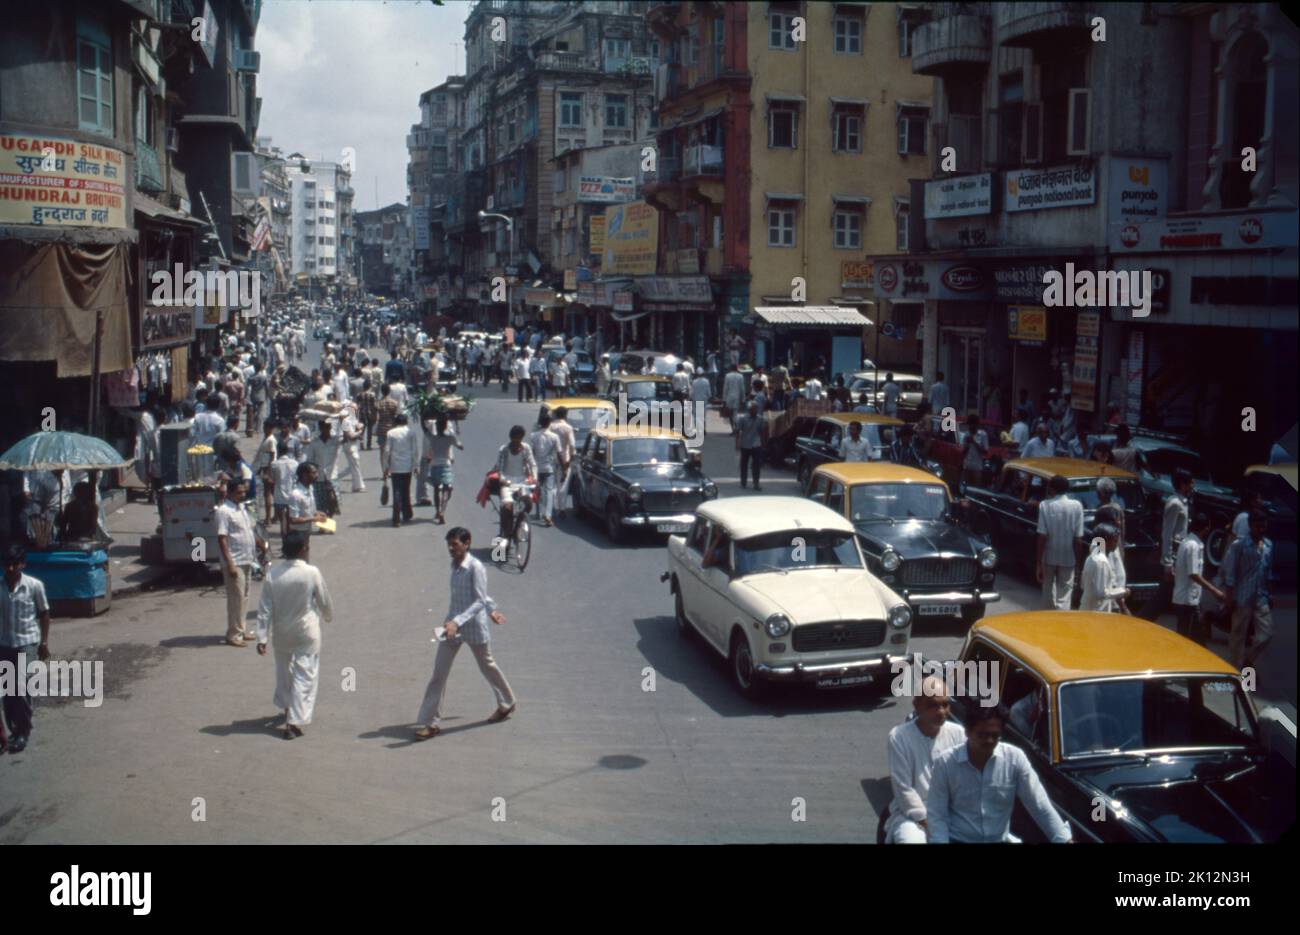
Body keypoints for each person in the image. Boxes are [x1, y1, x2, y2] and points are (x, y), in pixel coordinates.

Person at [414, 528, 518, 740]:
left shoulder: (476, 567)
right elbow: (480, 596)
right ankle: (431, 723)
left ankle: (507, 702)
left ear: (467, 543)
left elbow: (479, 599)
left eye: (455, 544)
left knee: (487, 666)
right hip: (452, 628)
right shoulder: (455, 566)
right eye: (449, 545)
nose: (451, 549)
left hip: (472, 628)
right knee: (438, 674)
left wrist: (474, 616)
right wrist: (491, 610)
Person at [926, 704, 1072, 844]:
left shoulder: (1015, 759)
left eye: (994, 735)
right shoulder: (945, 763)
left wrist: (1064, 839)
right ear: (967, 732)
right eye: (982, 735)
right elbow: (937, 816)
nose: (989, 741)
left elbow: (1039, 804)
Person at [256, 530, 334, 739]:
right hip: (306, 633)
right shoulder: (311, 572)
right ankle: (294, 722)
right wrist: (328, 616)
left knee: (284, 674)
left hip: (282, 634)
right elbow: (324, 600)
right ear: (302, 550)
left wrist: (261, 637)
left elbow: (265, 608)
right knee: (305, 676)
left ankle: (287, 709)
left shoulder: (273, 574)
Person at [884, 676, 965, 843]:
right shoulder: (899, 737)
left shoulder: (958, 734)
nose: (941, 711)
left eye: (945, 704)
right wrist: (927, 822)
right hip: (912, 816)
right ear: (917, 706)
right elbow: (903, 788)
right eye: (933, 705)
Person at [0, 544, 52, 754]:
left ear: (22, 564)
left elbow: (44, 613)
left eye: (15, 564)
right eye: (7, 565)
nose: (11, 569)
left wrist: (44, 643)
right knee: (8, 692)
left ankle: (23, 730)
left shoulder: (34, 586)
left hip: (27, 642)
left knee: (20, 689)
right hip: (4, 643)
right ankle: (13, 729)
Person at [216, 478, 268, 647]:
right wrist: (229, 563)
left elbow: (249, 531)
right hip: (235, 560)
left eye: (244, 492)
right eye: (239, 492)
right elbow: (222, 539)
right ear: (230, 493)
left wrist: (261, 544)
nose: (242, 495)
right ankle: (233, 634)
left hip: (247, 558)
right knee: (236, 598)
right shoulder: (224, 511)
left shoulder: (242, 508)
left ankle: (241, 629)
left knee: (244, 596)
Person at [1221, 510, 1275, 671]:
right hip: (1241, 597)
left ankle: (1248, 660)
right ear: (1251, 526)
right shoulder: (1239, 545)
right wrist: (1229, 597)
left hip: (1260, 597)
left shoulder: (1268, 545)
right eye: (1258, 527)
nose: (1261, 530)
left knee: (1267, 634)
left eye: (1263, 527)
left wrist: (1270, 593)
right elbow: (1230, 572)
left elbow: (1268, 571)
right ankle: (1236, 671)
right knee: (1238, 636)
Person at [1142, 468, 1193, 623]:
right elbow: (1167, 534)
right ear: (1183, 484)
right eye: (1190, 483)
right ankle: (1143, 620)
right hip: (1175, 555)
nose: (1193, 486)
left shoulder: (1184, 502)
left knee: (1167, 594)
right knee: (1164, 595)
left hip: (1181, 553)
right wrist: (1168, 563)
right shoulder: (1175, 504)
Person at [1173, 513, 1226, 646]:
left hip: (1187, 599)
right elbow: (1193, 574)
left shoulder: (1188, 542)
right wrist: (1214, 591)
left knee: (1190, 637)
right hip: (1187, 601)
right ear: (1206, 528)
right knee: (1191, 638)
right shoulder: (1193, 546)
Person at [1037, 474, 1084, 610]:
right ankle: (1061, 619)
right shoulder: (1077, 506)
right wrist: (1078, 564)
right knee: (1064, 594)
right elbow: (1078, 539)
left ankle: (1048, 618)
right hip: (1068, 557)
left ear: (1051, 489)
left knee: (1047, 591)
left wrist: (1039, 562)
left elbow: (1042, 536)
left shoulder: (1045, 505)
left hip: (1049, 555)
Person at [1080, 524, 1128, 613]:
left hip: (1089, 609)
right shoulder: (1101, 561)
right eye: (1114, 540)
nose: (1116, 544)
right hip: (1096, 612)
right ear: (1105, 541)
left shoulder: (1092, 557)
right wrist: (1122, 591)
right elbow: (1100, 593)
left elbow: (1083, 585)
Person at [426, 415, 463, 525]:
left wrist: (423, 416)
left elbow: (424, 428)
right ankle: (442, 511)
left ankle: (437, 511)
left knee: (436, 489)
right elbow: (460, 447)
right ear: (446, 425)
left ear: (436, 426)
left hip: (434, 465)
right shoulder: (450, 438)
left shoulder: (433, 437)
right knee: (447, 489)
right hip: (446, 465)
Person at [527, 413, 562, 528]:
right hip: (549, 468)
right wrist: (563, 466)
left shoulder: (533, 436)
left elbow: (530, 452)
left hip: (536, 467)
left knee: (537, 489)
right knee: (549, 491)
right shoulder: (554, 437)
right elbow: (559, 453)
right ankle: (547, 514)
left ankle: (539, 512)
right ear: (549, 423)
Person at [549, 406, 577, 516]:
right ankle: (561, 509)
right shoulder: (568, 428)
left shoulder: (550, 427)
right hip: (564, 460)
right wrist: (570, 458)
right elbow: (572, 445)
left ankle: (550, 508)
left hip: (551, 459)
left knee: (551, 485)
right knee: (563, 485)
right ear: (565, 415)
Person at [252, 419, 279, 525]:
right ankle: (274, 516)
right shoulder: (266, 438)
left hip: (269, 469)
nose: (264, 429)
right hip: (264, 467)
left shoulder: (271, 440)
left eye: (266, 427)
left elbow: (272, 456)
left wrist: (268, 472)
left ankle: (268, 519)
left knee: (268, 494)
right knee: (272, 493)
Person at [734, 400, 766, 490]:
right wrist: (737, 444)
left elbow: (762, 432)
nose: (755, 411)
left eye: (756, 409)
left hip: (756, 444)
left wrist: (763, 444)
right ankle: (743, 482)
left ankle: (756, 483)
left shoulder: (760, 419)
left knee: (756, 465)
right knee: (744, 464)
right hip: (745, 444)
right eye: (753, 409)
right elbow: (738, 432)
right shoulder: (743, 419)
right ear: (749, 409)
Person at [287, 462, 327, 534]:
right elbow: (293, 520)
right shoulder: (296, 495)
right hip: (297, 533)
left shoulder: (310, 488)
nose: (317, 475)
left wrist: (317, 513)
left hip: (307, 531)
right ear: (305, 475)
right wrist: (314, 518)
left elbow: (306, 509)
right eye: (314, 473)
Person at [270, 443, 299, 536]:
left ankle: (284, 538)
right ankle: (289, 538)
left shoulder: (274, 464)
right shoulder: (295, 463)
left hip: (279, 494)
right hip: (292, 493)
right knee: (290, 518)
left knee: (282, 520)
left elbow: (273, 479)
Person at [338, 403, 366, 494]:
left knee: (353, 466)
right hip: (349, 445)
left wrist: (360, 427)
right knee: (355, 464)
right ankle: (359, 486)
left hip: (353, 444)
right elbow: (350, 435)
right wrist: (360, 432)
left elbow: (358, 426)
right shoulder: (345, 422)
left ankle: (335, 478)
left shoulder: (353, 420)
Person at [960, 414, 989, 489]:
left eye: (972, 425)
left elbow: (985, 452)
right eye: (969, 425)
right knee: (965, 487)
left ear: (976, 425)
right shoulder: (966, 434)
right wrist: (967, 445)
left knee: (976, 487)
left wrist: (974, 442)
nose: (970, 427)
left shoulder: (983, 435)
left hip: (977, 467)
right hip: (967, 465)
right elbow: (963, 452)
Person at [375, 383, 400, 465]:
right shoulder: (394, 403)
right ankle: (389, 469)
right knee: (392, 450)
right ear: (389, 391)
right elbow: (396, 416)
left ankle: (384, 471)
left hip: (381, 429)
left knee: (382, 451)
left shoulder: (378, 403)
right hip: (392, 429)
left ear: (381, 391)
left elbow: (376, 417)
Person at [246, 361, 268, 437]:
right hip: (261, 396)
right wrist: (267, 395)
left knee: (253, 411)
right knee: (260, 413)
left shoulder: (251, 377)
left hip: (253, 395)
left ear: (255, 368)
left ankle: (252, 426)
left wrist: (246, 395)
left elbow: (247, 387)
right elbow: (266, 387)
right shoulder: (263, 377)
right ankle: (258, 428)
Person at [722, 362, 746, 428]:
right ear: (737, 368)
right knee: (735, 413)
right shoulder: (740, 376)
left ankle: (733, 428)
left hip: (729, 397)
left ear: (731, 368)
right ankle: (736, 428)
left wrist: (724, 399)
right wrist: (743, 399)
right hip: (737, 397)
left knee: (730, 414)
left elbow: (725, 388)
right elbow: (742, 388)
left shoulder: (727, 376)